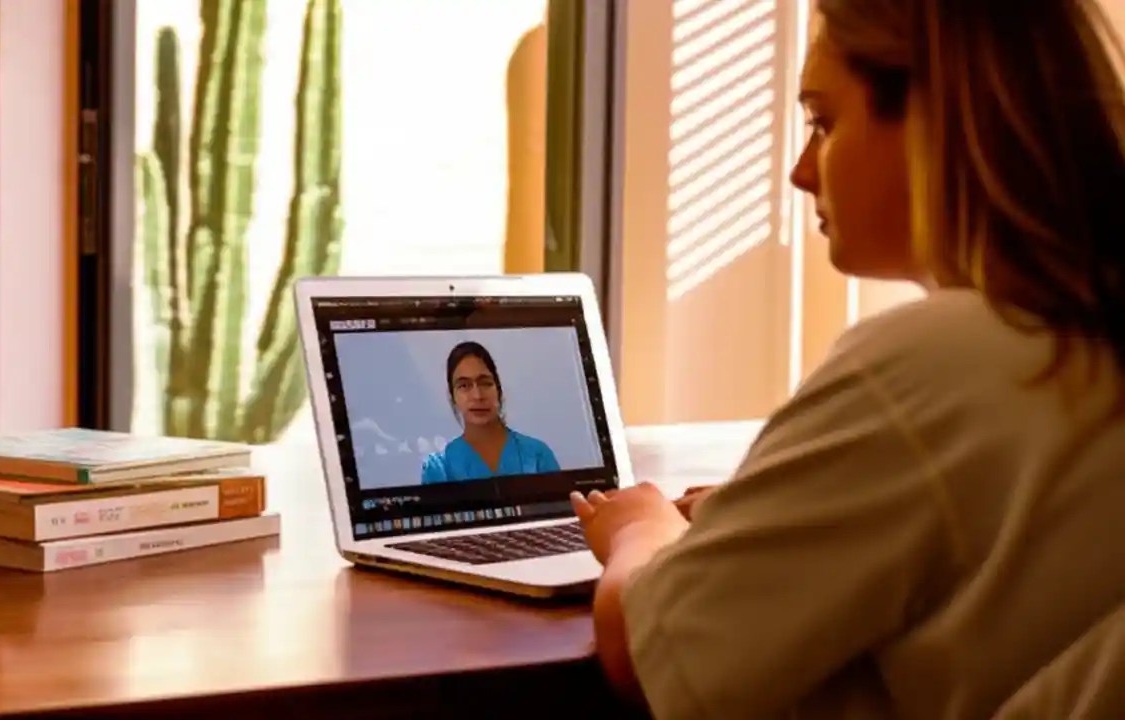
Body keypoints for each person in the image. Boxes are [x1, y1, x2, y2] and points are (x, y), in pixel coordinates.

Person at [572, 1, 1125, 718]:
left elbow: (646, 655)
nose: (802, 172)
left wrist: (642, 530)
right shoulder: (1084, 344)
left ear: (937, 119)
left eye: (823, 122)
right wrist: (761, 524)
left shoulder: (936, 363)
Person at [421, 341, 560, 484]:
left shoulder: (537, 455)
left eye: (485, 383)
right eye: (464, 386)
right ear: (453, 397)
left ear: (498, 390)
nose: (477, 395)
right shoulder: (439, 469)